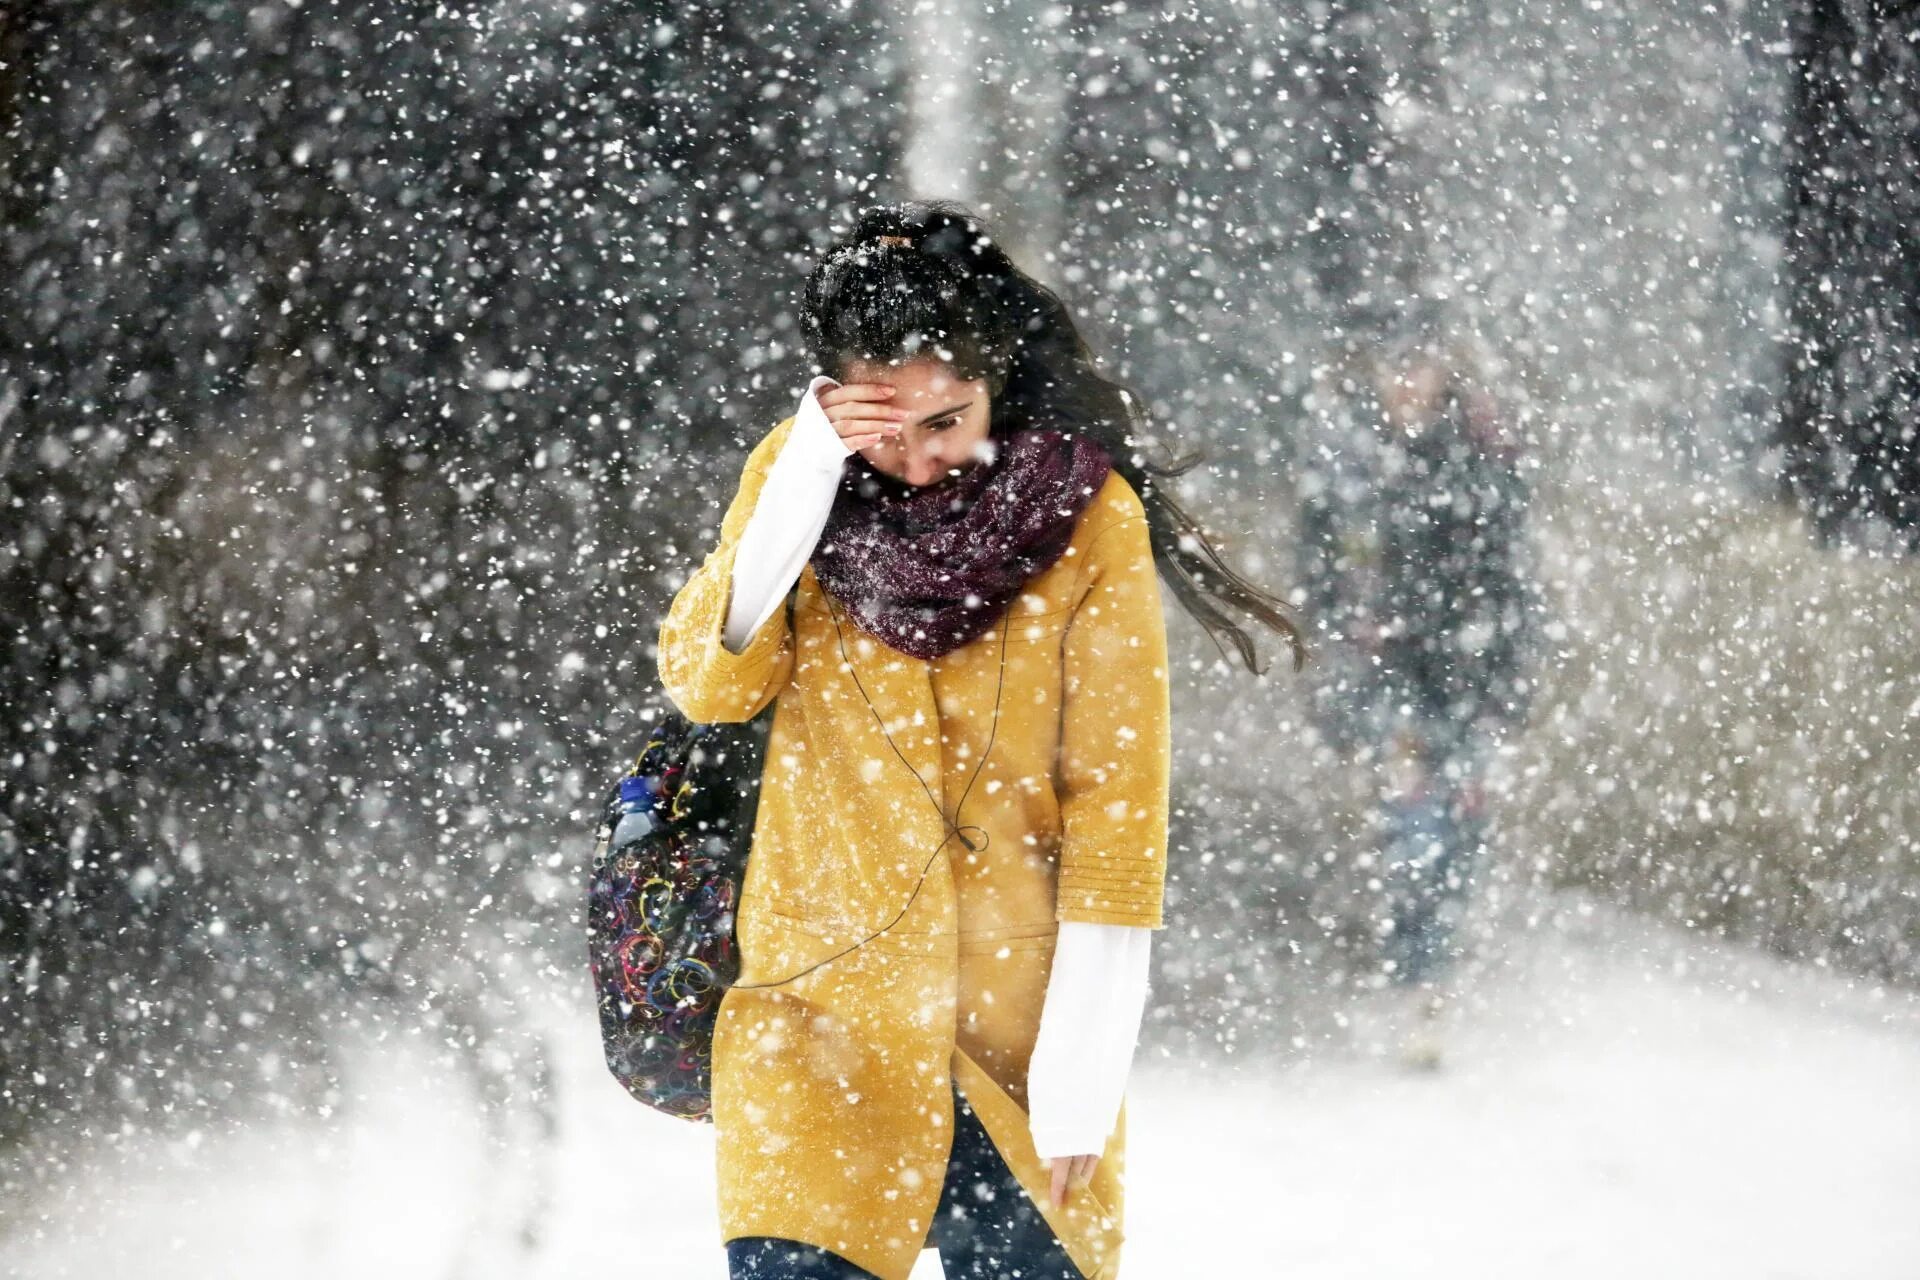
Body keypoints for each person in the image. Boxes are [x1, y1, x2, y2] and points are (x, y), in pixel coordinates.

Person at [656, 199, 1303, 1280]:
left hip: (1014, 1032)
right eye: (883, 428)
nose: (915, 461)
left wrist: (1082, 1077)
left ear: (994, 375)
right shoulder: (799, 475)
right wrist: (810, 467)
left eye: (947, 419)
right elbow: (712, 679)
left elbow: (1115, 804)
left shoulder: (1088, 517)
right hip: (817, 1018)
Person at [1296, 325, 1535, 1032]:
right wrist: (1336, 661)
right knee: (1414, 826)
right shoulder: (1349, 457)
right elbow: (1320, 570)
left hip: (1468, 673)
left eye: (1419, 362)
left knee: (1458, 828)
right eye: (1393, 363)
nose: (1406, 379)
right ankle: (1420, 976)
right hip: (1389, 674)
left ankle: (1430, 963)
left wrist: (1508, 671)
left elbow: (1510, 573)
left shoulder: (1481, 452)